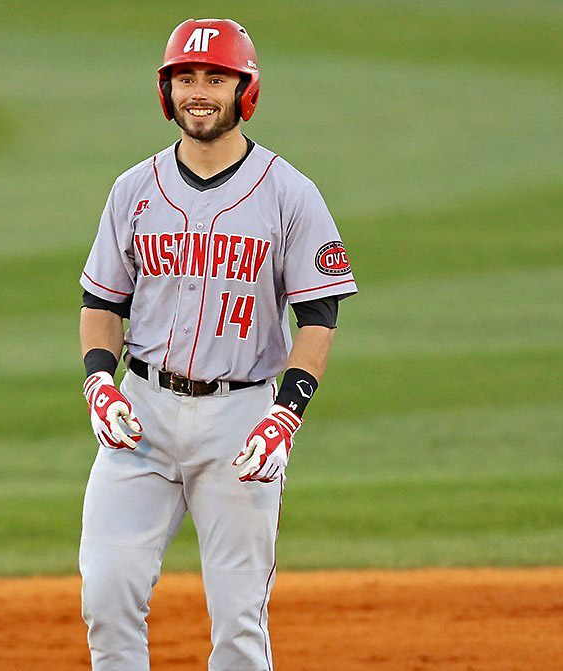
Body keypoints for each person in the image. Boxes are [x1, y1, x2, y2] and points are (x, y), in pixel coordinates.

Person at [77, 17, 356, 671]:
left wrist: (285, 415)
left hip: (241, 418)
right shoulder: (133, 190)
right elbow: (101, 303)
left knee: (237, 623)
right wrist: (99, 380)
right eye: (186, 78)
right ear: (166, 90)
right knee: (108, 594)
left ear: (244, 90)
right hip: (141, 412)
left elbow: (318, 315)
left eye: (215, 78)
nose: (199, 92)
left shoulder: (290, 193)